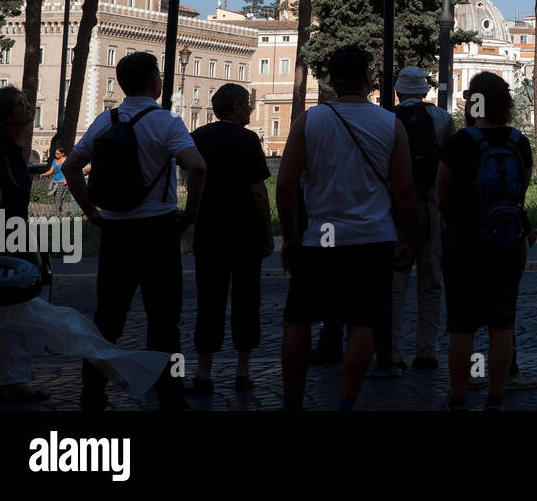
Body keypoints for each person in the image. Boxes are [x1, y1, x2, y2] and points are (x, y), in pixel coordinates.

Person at [63, 52, 207, 411]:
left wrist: (91, 211)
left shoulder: (105, 119)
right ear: (154, 82)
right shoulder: (167, 123)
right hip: (158, 230)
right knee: (164, 321)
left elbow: (71, 168)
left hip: (115, 229)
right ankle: (170, 393)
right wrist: (190, 212)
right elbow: (198, 167)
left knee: (107, 318)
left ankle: (91, 392)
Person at [275, 46, 416, 411]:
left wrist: (290, 236)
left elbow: (287, 183)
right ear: (368, 81)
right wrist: (410, 238)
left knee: (298, 320)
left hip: (319, 236)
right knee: (363, 325)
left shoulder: (309, 121)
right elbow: (403, 191)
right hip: (372, 238)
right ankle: (346, 404)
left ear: (332, 81)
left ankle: (292, 402)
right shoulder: (390, 124)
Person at [438, 72, 534, 410]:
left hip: (464, 242)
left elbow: (443, 194)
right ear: (506, 104)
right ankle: (496, 395)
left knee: (462, 326)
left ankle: (458, 397)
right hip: (508, 243)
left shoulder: (458, 144)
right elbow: (520, 194)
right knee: (502, 322)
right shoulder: (518, 142)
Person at [189, 83, 273, 394]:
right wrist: (268, 231)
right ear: (236, 107)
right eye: (247, 104)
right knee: (247, 300)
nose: (251, 109)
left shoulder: (198, 137)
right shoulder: (248, 139)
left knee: (208, 300)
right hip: (245, 232)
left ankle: (204, 370)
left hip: (209, 230)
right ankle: (243, 369)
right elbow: (258, 190)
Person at [380, 66, 454, 375]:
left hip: (394, 206)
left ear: (397, 92)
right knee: (431, 279)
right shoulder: (442, 119)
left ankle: (391, 350)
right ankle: (427, 350)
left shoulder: (385, 120)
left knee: (395, 282)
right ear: (425, 92)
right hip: (432, 206)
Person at [0, 86, 46, 403]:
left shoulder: (11, 150)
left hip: (11, 238)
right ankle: (13, 380)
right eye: (21, 103)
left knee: (16, 310)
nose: (29, 105)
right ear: (8, 117)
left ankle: (14, 381)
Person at [40, 146, 69, 213]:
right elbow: (51, 170)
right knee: (56, 196)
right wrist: (43, 174)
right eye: (55, 153)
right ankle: (60, 210)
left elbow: (70, 171)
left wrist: (66, 179)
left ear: (62, 154)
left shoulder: (66, 161)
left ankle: (55, 212)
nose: (56, 155)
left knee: (58, 197)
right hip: (55, 181)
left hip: (63, 181)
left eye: (58, 153)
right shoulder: (54, 161)